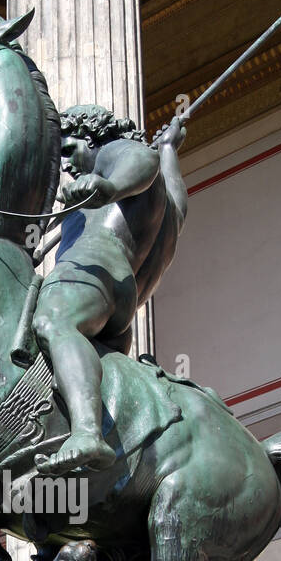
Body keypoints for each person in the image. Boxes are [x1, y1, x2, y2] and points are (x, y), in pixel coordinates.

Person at [32, 105, 188, 475]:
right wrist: (169, 149)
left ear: (92, 138)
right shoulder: (149, 198)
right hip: (114, 310)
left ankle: (87, 433)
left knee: (52, 322)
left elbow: (140, 159)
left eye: (69, 150)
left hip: (89, 280)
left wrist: (108, 186)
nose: (66, 165)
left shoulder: (112, 157)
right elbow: (177, 210)